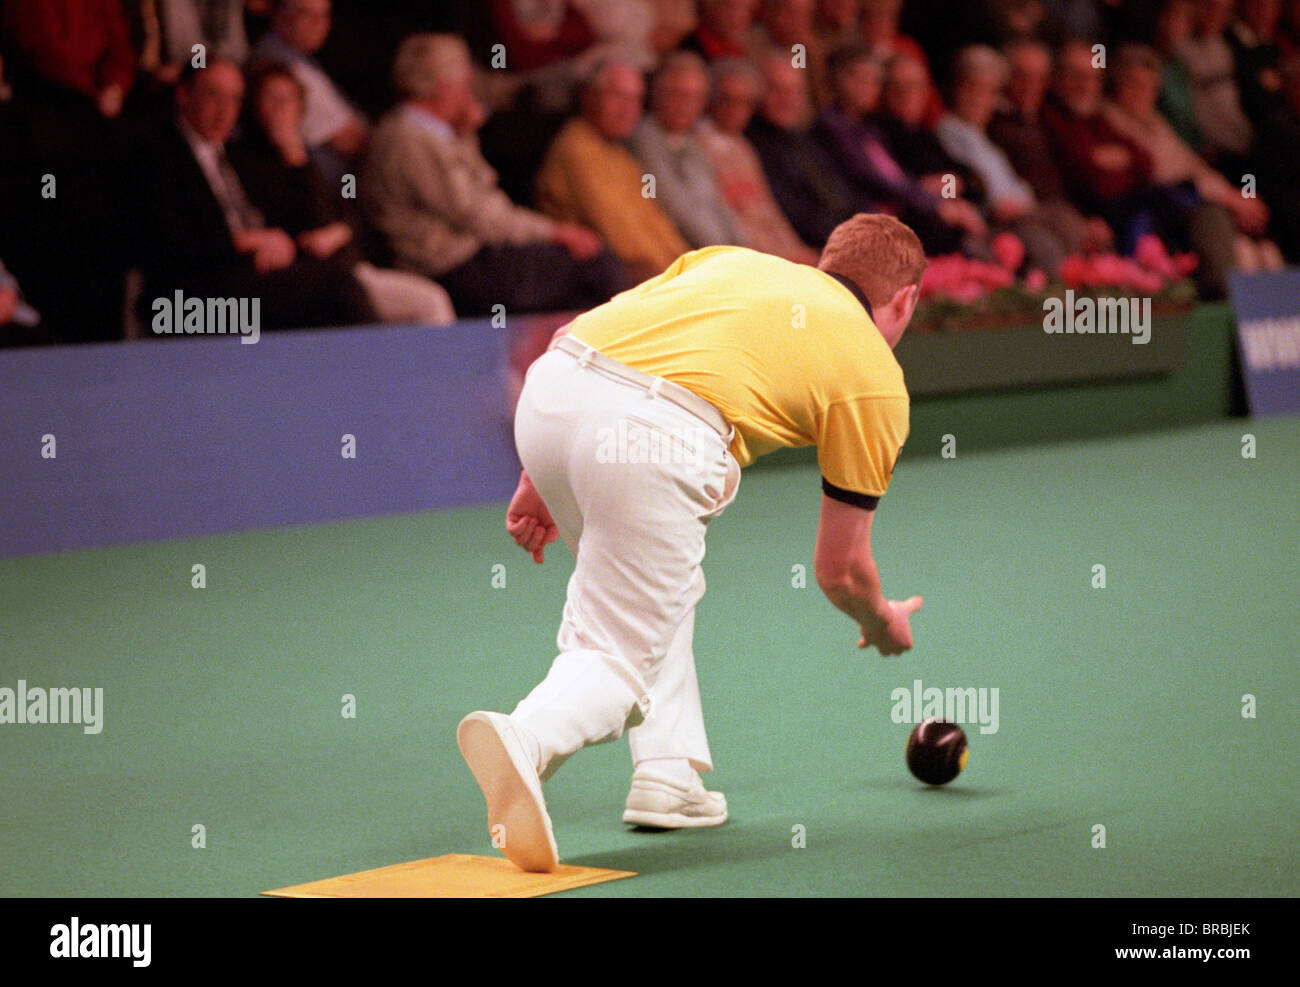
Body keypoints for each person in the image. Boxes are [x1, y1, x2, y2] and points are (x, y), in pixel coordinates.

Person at [457, 212, 927, 872]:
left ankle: (668, 776)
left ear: (827, 264)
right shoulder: (876, 376)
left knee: (662, 583)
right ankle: (525, 738)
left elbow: (612, 333)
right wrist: (881, 622)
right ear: (905, 299)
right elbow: (839, 569)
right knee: (615, 655)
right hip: (651, 437)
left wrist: (544, 467)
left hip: (553, 389)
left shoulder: (731, 261)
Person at [361, 34, 630, 317]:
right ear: (444, 85)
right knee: (595, 267)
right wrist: (552, 232)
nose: (469, 93)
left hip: (472, 253)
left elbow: (480, 192)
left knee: (592, 263)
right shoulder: (409, 138)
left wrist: (464, 135)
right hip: (450, 264)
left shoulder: (430, 131)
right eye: (466, 83)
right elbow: (479, 214)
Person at [130, 59, 376, 331]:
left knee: (332, 289)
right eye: (214, 95)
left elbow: (311, 219)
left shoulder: (234, 157)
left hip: (249, 281)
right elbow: (167, 241)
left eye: (234, 99)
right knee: (338, 288)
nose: (225, 111)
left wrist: (296, 160)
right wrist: (245, 242)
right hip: (185, 304)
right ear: (184, 95)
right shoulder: (159, 155)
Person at [231, 62, 456, 324]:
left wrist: (340, 231)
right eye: (272, 99)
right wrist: (296, 161)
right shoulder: (243, 162)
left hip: (349, 267)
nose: (281, 108)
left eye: (289, 99)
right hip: (313, 276)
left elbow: (348, 214)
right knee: (428, 303)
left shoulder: (309, 157)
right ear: (253, 104)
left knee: (430, 299)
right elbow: (302, 225)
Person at [535, 59, 692, 282]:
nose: (627, 110)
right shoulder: (576, 147)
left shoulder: (618, 153)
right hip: (603, 279)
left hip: (645, 272)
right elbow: (621, 236)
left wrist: (690, 264)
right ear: (589, 96)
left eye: (635, 99)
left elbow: (653, 219)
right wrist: (678, 276)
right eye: (618, 96)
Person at [628, 51, 747, 249]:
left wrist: (744, 251)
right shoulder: (644, 138)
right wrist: (725, 255)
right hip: (685, 257)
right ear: (657, 93)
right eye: (677, 95)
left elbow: (716, 202)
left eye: (694, 98)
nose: (685, 106)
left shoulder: (691, 143)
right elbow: (674, 208)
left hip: (720, 254)